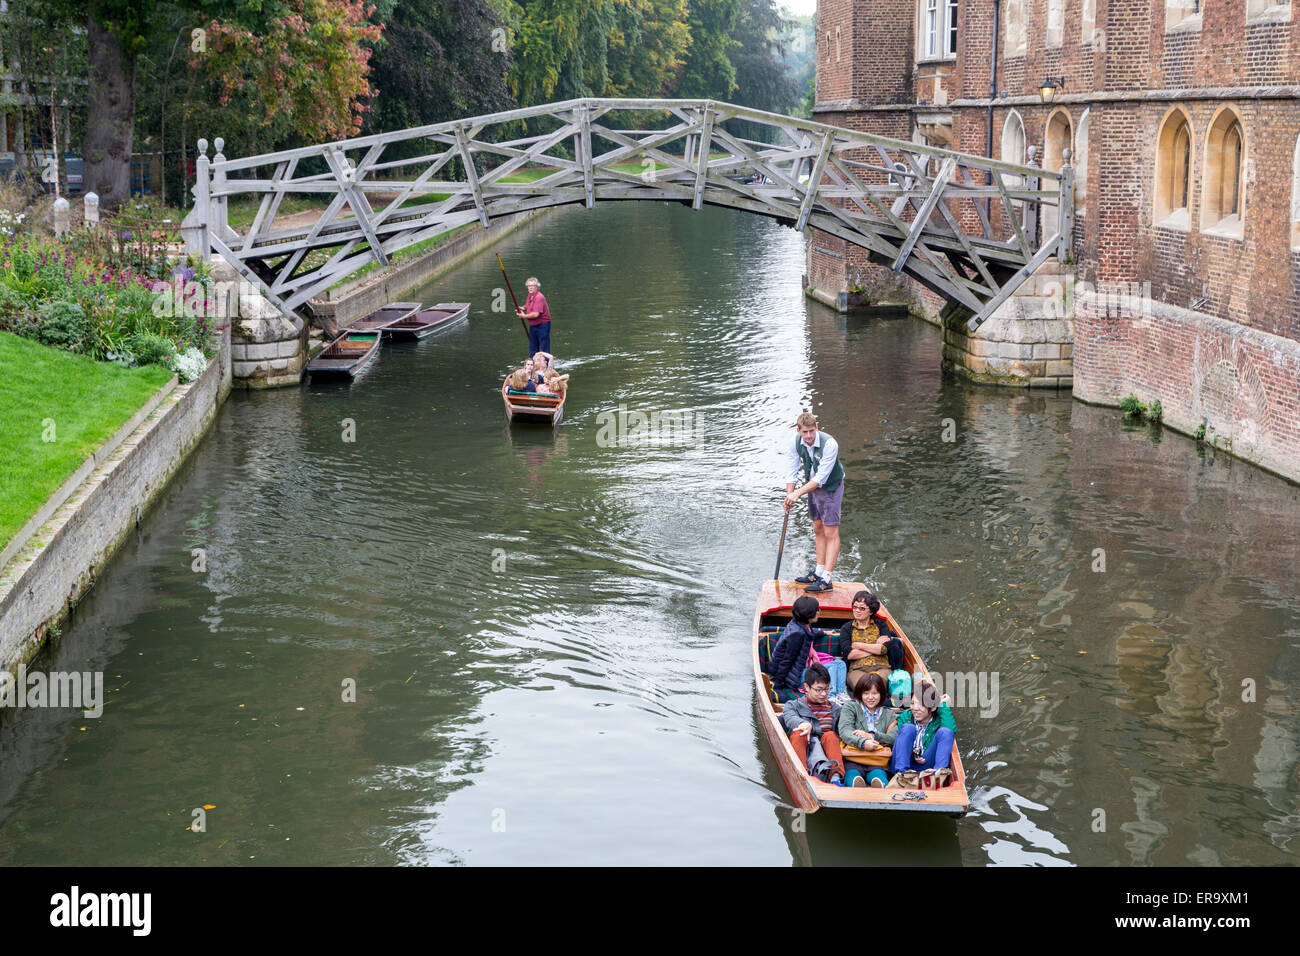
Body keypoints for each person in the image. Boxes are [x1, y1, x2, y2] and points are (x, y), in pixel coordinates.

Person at [783, 412, 844, 594]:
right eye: (805, 432)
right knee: (817, 527)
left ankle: (827, 579)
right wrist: (789, 496)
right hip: (811, 487)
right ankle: (818, 572)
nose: (809, 436)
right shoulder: (795, 442)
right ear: (798, 431)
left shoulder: (830, 444)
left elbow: (821, 478)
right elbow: (792, 471)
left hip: (830, 486)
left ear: (817, 428)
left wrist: (796, 494)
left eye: (811, 431)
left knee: (830, 531)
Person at [779, 663, 845, 786]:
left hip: (827, 751)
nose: (824, 694)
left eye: (827, 689)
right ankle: (801, 777)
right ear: (807, 687)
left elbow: (844, 730)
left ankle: (835, 777)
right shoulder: (793, 705)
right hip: (803, 748)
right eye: (819, 690)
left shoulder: (836, 709)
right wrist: (804, 723)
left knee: (830, 735)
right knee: (799, 733)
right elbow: (789, 718)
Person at [767, 596, 844, 701]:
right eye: (817, 610)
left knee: (840, 664)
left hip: (804, 666)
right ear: (809, 614)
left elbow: (810, 634)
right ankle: (831, 696)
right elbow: (787, 660)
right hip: (795, 676)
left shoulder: (802, 624)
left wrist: (823, 632)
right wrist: (778, 683)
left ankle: (841, 694)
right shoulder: (797, 634)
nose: (819, 612)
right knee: (833, 665)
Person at [838, 672, 898, 788]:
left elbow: (893, 737)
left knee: (879, 776)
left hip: (878, 759)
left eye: (875, 693)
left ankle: (880, 786)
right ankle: (855, 786)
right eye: (866, 693)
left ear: (881, 694)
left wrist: (871, 736)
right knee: (852, 775)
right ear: (860, 694)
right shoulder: (850, 707)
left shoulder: (889, 713)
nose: (870, 697)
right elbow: (845, 731)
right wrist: (863, 743)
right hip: (853, 755)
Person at [838, 589, 898, 695]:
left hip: (882, 668)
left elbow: (883, 649)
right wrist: (875, 647)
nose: (857, 610)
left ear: (870, 611)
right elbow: (850, 655)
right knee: (863, 687)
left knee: (877, 685)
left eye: (862, 608)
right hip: (857, 670)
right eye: (855, 607)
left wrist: (858, 645)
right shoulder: (846, 628)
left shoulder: (881, 625)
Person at [890, 681, 956, 778]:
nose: (915, 708)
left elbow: (950, 730)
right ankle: (901, 777)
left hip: (925, 767)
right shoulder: (905, 717)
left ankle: (937, 778)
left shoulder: (938, 721)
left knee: (945, 732)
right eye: (913, 703)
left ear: (933, 707)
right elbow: (895, 740)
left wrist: (943, 705)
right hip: (902, 764)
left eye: (921, 704)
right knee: (908, 728)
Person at [516, 277, 552, 356]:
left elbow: (536, 314)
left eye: (533, 285)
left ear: (537, 287)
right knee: (533, 347)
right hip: (533, 326)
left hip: (543, 326)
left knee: (544, 348)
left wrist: (523, 316)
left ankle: (547, 366)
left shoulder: (539, 297)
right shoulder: (530, 295)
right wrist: (524, 308)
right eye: (529, 286)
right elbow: (529, 305)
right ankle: (533, 365)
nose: (530, 287)